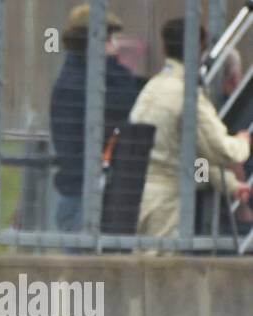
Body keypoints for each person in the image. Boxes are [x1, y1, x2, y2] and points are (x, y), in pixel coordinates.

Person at [130, 17, 251, 242]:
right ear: (198, 50)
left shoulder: (152, 87)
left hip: (138, 195)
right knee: (162, 269)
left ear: (165, 47)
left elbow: (192, 156)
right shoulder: (188, 96)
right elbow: (222, 150)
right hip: (167, 203)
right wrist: (243, 141)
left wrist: (232, 185)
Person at [48, 4, 146, 233]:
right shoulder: (82, 84)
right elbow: (127, 99)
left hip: (81, 194)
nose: (115, 47)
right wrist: (110, 61)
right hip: (82, 198)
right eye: (109, 39)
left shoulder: (82, 76)